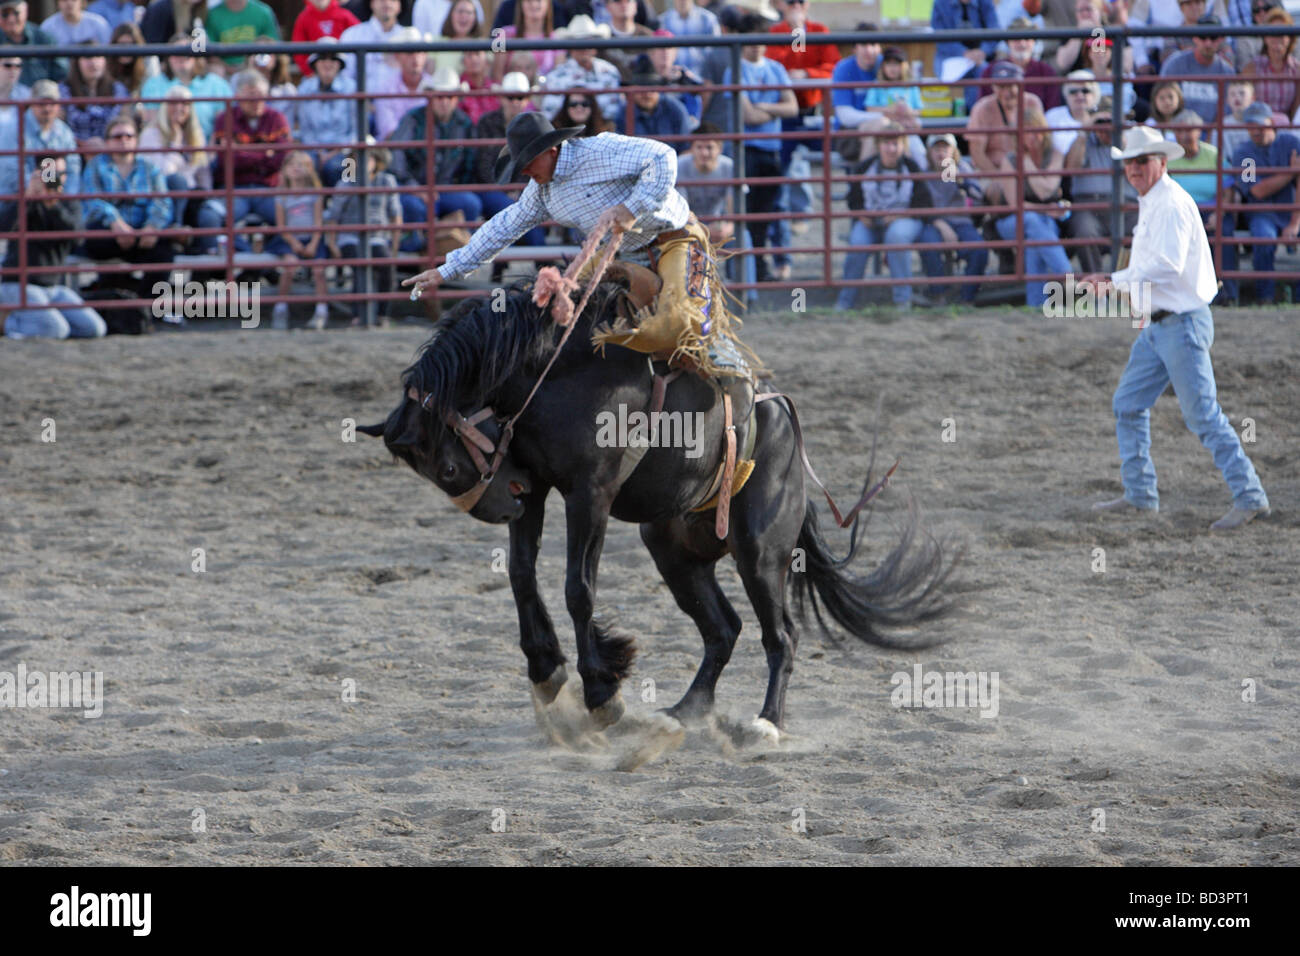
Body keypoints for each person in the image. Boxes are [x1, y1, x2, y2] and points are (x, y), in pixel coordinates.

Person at [404, 111, 749, 377]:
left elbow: (663, 157)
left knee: (680, 321)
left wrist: (631, 208)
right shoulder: (542, 192)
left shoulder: (599, 150)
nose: (524, 172)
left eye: (527, 163)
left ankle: (730, 368)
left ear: (550, 151)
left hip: (673, 239)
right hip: (619, 253)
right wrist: (448, 268)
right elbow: (503, 226)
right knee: (557, 314)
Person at [1082, 125, 1270, 531]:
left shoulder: (1167, 204)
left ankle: (1250, 494)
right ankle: (1140, 494)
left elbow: (1166, 264)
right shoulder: (1157, 199)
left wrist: (1113, 283)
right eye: (1130, 162)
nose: (1133, 169)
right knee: (1130, 404)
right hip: (1165, 322)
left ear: (1161, 163)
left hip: (1179, 324)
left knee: (1201, 415)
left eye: (1141, 161)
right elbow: (1161, 265)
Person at [722, 10, 796, 283]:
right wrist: (774, 109)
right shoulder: (734, 69)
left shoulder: (775, 68)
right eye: (751, 39)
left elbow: (793, 108)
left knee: (765, 213)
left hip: (769, 149)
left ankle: (758, 269)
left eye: (760, 39)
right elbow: (748, 116)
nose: (756, 45)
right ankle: (743, 272)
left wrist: (763, 106)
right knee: (744, 211)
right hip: (746, 150)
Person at [0, 151, 105, 338]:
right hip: (19, 284)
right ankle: (6, 323)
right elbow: (5, 228)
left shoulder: (68, 204)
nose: (54, 179)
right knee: (57, 330)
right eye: (49, 173)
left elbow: (76, 238)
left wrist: (52, 204)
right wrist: (27, 197)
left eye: (59, 174)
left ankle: (22, 320)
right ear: (37, 173)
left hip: (53, 287)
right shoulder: (23, 199)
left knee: (94, 328)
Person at [836, 121, 933, 311]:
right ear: (878, 145)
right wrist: (860, 214)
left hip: (905, 219)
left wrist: (900, 214)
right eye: (886, 143)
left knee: (896, 237)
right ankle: (845, 301)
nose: (891, 148)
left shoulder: (912, 168)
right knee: (858, 244)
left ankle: (902, 300)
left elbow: (924, 202)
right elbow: (853, 198)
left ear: (903, 146)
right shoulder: (865, 168)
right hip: (871, 220)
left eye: (896, 143)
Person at [81, 112, 177, 297]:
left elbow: (162, 200)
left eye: (129, 136)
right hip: (109, 232)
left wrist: (152, 226)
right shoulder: (96, 166)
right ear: (108, 141)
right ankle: (117, 295)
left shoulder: (149, 167)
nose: (123, 140)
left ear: (136, 140)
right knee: (94, 237)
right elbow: (93, 200)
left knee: (164, 250)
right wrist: (115, 223)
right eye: (117, 137)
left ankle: (146, 307)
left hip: (142, 232)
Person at [386, 66, 478, 249]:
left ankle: (454, 251)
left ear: (456, 99)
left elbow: (470, 161)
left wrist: (456, 185)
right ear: (430, 98)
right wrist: (414, 187)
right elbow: (396, 155)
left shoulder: (464, 123)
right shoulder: (413, 119)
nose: (444, 102)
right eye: (439, 97)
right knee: (416, 208)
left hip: (446, 188)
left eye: (449, 97)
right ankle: (421, 252)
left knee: (471, 204)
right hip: (414, 188)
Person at [1219, 101, 1300, 304]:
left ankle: (1296, 297)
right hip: (1261, 212)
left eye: (1259, 125)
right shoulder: (1243, 153)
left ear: (1271, 122)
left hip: (1292, 208)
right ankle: (1266, 297)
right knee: (1263, 239)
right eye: (1250, 126)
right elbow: (1257, 191)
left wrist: (1295, 221)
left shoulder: (1291, 143)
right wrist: (1290, 172)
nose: (1255, 130)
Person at [993, 108, 1074, 306]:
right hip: (1012, 222)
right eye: (1026, 131)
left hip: (1044, 223)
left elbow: (1046, 191)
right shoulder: (1011, 160)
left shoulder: (1055, 153)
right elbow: (1016, 205)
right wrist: (1026, 161)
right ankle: (1067, 276)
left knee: (1034, 240)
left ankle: (1036, 305)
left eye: (1036, 130)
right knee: (1031, 221)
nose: (1033, 136)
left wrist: (1028, 164)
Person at [138, 86, 224, 253]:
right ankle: (175, 228)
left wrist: (206, 193)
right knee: (178, 181)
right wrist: (175, 144)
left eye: (184, 104)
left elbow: (203, 171)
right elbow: (162, 173)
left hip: (191, 198)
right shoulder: (151, 134)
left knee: (210, 216)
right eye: (173, 103)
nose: (179, 108)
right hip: (163, 197)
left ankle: (204, 269)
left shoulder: (195, 136)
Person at [324, 144, 401, 327]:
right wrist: (333, 242)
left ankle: (382, 315)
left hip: (378, 236)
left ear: (377, 162)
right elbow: (334, 216)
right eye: (360, 159)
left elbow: (395, 215)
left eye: (369, 158)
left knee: (386, 267)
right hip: (350, 236)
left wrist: (394, 245)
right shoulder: (345, 183)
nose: (364, 163)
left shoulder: (387, 181)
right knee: (361, 265)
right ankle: (359, 315)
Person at [210, 69, 290, 242]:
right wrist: (265, 153)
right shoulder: (224, 118)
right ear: (238, 96)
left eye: (261, 95)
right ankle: (239, 260)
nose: (257, 102)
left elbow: (282, 159)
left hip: (268, 188)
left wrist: (241, 151)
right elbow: (227, 161)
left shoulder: (277, 118)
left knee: (293, 217)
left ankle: (274, 261)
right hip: (234, 188)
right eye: (251, 96)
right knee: (210, 217)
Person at [1062, 99, 1139, 273]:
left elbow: (1138, 168)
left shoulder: (1130, 141)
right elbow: (1071, 169)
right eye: (1100, 121)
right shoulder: (1083, 142)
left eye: (1110, 121)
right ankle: (1097, 289)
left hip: (1127, 207)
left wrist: (1120, 135)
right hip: (1089, 206)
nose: (1105, 127)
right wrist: (1084, 132)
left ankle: (1128, 288)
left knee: (1142, 230)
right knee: (1084, 232)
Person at [918, 132, 988, 304]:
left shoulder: (963, 169)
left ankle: (966, 298)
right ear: (929, 152)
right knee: (928, 243)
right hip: (934, 222)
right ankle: (939, 294)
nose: (941, 152)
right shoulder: (923, 173)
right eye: (936, 148)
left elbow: (979, 198)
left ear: (953, 151)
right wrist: (940, 224)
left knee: (979, 250)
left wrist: (962, 181)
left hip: (961, 222)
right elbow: (919, 206)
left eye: (945, 148)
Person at [267, 150, 330, 329]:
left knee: (319, 271)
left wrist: (313, 243)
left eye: (301, 165)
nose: (296, 168)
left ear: (310, 170)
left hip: (312, 238)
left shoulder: (315, 193)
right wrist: (294, 243)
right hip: (289, 240)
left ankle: (321, 311)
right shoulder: (282, 195)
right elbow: (281, 226)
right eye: (292, 164)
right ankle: (280, 308)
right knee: (289, 267)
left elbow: (319, 221)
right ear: (284, 170)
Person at [967, 60, 1044, 206]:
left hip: (1028, 167)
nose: (1006, 92)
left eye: (1010, 86)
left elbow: (1040, 143)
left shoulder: (1033, 103)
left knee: (1050, 190)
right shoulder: (982, 108)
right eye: (1000, 87)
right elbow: (977, 153)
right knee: (999, 192)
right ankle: (997, 225)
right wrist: (1002, 178)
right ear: (993, 87)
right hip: (993, 171)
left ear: (1020, 85)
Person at [139, 33, 232, 139]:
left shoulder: (217, 84)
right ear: (168, 57)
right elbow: (152, 123)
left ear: (196, 56)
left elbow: (224, 124)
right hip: (165, 148)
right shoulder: (153, 85)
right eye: (176, 53)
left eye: (187, 52)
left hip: (208, 149)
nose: (181, 56)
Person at [292, 41, 356, 187]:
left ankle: (349, 204)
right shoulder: (304, 89)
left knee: (350, 168)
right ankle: (311, 207)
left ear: (340, 63)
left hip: (346, 150)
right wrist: (319, 151)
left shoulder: (352, 88)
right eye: (322, 58)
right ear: (315, 63)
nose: (327, 63)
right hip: (313, 151)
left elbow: (357, 130)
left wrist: (338, 150)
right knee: (301, 167)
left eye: (333, 58)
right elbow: (305, 129)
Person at [540, 14, 621, 121]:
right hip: (568, 134)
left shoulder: (610, 72)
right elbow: (551, 114)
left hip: (603, 132)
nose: (584, 47)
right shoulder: (556, 77)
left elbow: (615, 112)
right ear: (570, 47)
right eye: (579, 42)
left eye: (589, 41)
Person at [1158, 15, 1236, 124]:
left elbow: (1225, 114)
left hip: (1211, 136)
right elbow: (1162, 104)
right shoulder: (1174, 64)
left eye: (1213, 37)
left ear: (1221, 39)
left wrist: (1211, 136)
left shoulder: (1227, 72)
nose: (1208, 43)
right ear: (1195, 38)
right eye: (1203, 37)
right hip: (1177, 131)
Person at [978, 16, 1062, 110]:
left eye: (1027, 39)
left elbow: (1052, 111)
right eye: (1016, 38)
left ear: (1034, 42)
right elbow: (983, 108)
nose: (1022, 44)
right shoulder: (991, 71)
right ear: (1008, 42)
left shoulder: (1046, 72)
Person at [59, 41, 127, 146]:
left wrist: (105, 144)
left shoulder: (117, 89)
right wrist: (83, 145)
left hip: (111, 151)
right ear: (77, 62)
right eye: (88, 58)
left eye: (98, 57)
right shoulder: (64, 89)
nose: (93, 62)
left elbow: (125, 123)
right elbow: (59, 127)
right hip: (74, 151)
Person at [617, 57, 691, 147]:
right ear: (632, 90)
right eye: (641, 89)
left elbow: (686, 147)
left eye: (651, 89)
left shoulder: (675, 109)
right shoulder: (623, 114)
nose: (647, 94)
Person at [1242, 6, 1300, 117]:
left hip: (1286, 128)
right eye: (1272, 32)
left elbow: (1296, 111)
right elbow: (1246, 105)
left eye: (1282, 33)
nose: (1277, 38)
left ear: (1290, 38)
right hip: (1259, 127)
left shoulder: (1297, 70)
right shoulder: (1252, 68)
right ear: (1265, 37)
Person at [372, 27, 427, 139]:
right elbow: (388, 132)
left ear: (425, 55)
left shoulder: (434, 85)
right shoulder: (385, 88)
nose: (415, 57)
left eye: (420, 51)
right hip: (396, 151)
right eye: (409, 52)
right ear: (397, 56)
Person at [0, 0, 68, 86]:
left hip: (38, 96)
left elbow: (61, 70)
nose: (11, 19)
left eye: (16, 13)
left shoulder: (43, 38)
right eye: (5, 14)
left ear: (25, 11)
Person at [492, 0, 562, 82]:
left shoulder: (556, 39)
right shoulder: (503, 34)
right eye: (528, 1)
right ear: (521, 4)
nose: (534, 4)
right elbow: (497, 75)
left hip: (544, 93)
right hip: (511, 92)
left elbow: (558, 76)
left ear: (547, 4)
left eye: (539, 1)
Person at [339, 0, 405, 87]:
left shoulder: (409, 37)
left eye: (393, 0)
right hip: (360, 98)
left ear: (400, 6)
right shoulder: (352, 35)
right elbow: (345, 77)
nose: (387, 3)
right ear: (371, 3)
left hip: (401, 99)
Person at [205, 0, 281, 73]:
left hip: (256, 69)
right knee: (216, 70)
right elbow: (211, 53)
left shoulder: (263, 12)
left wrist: (253, 67)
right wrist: (230, 70)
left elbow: (273, 47)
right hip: (225, 73)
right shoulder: (213, 15)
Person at [290, 0, 359, 77]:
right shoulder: (303, 18)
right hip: (315, 75)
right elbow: (298, 50)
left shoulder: (345, 15)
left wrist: (348, 71)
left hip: (344, 74)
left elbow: (360, 37)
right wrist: (309, 72)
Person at [1045, 70, 1098, 156]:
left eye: (1085, 91)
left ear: (1095, 94)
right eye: (1073, 91)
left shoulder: (1103, 118)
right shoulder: (1052, 116)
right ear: (1066, 95)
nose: (1080, 96)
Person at [661, 0, 718, 77]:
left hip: (703, 81)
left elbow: (715, 52)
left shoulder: (708, 19)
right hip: (674, 81)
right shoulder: (663, 20)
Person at [40, 0, 110, 45]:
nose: (69, 3)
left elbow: (107, 51)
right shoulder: (48, 26)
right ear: (57, 3)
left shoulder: (98, 23)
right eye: (64, 0)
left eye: (74, 0)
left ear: (82, 2)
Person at [459, 48, 496, 124]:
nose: (474, 59)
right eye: (469, 55)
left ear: (487, 61)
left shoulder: (495, 89)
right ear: (463, 62)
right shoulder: (456, 88)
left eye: (477, 54)